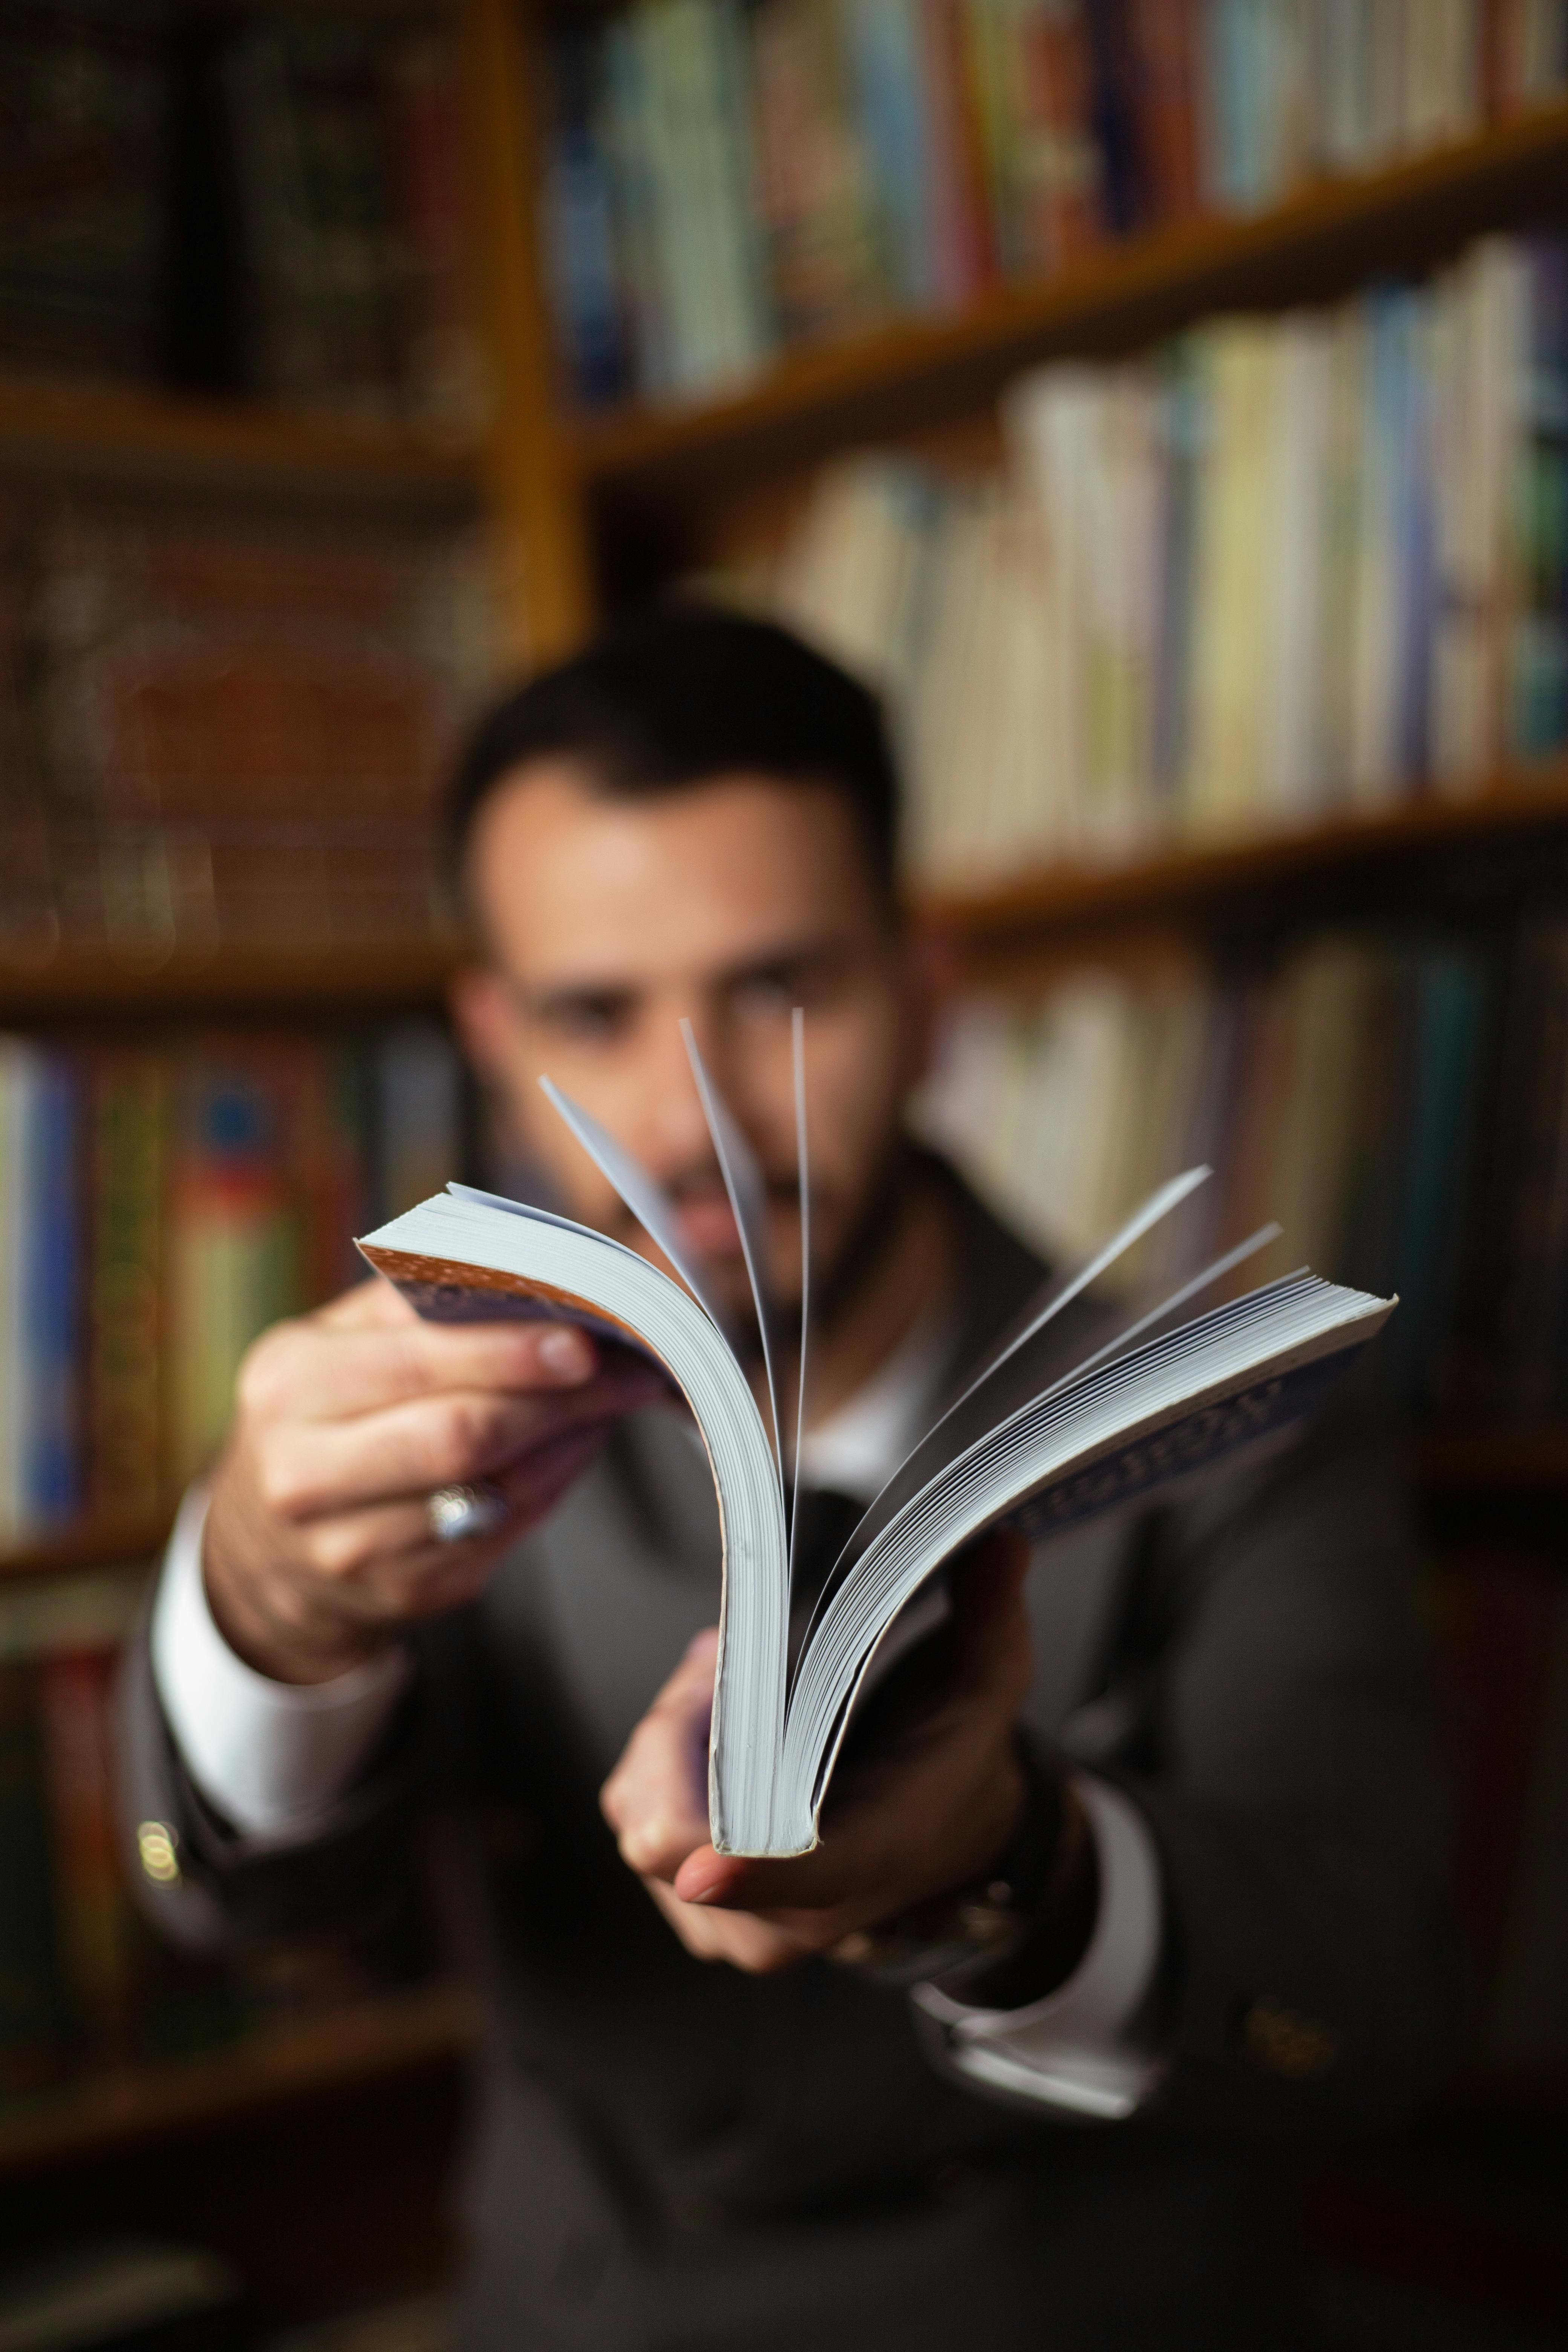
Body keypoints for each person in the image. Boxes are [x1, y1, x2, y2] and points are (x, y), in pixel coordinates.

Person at [118, 605, 1465, 2352]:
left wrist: (1014, 1865)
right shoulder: (425, 1409)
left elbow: (1370, 2016)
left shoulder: (1239, 1420)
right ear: (488, 1030)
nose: (692, 1120)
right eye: (592, 1015)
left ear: (926, 987)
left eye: (779, 989)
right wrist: (262, 1606)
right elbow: (239, 1905)